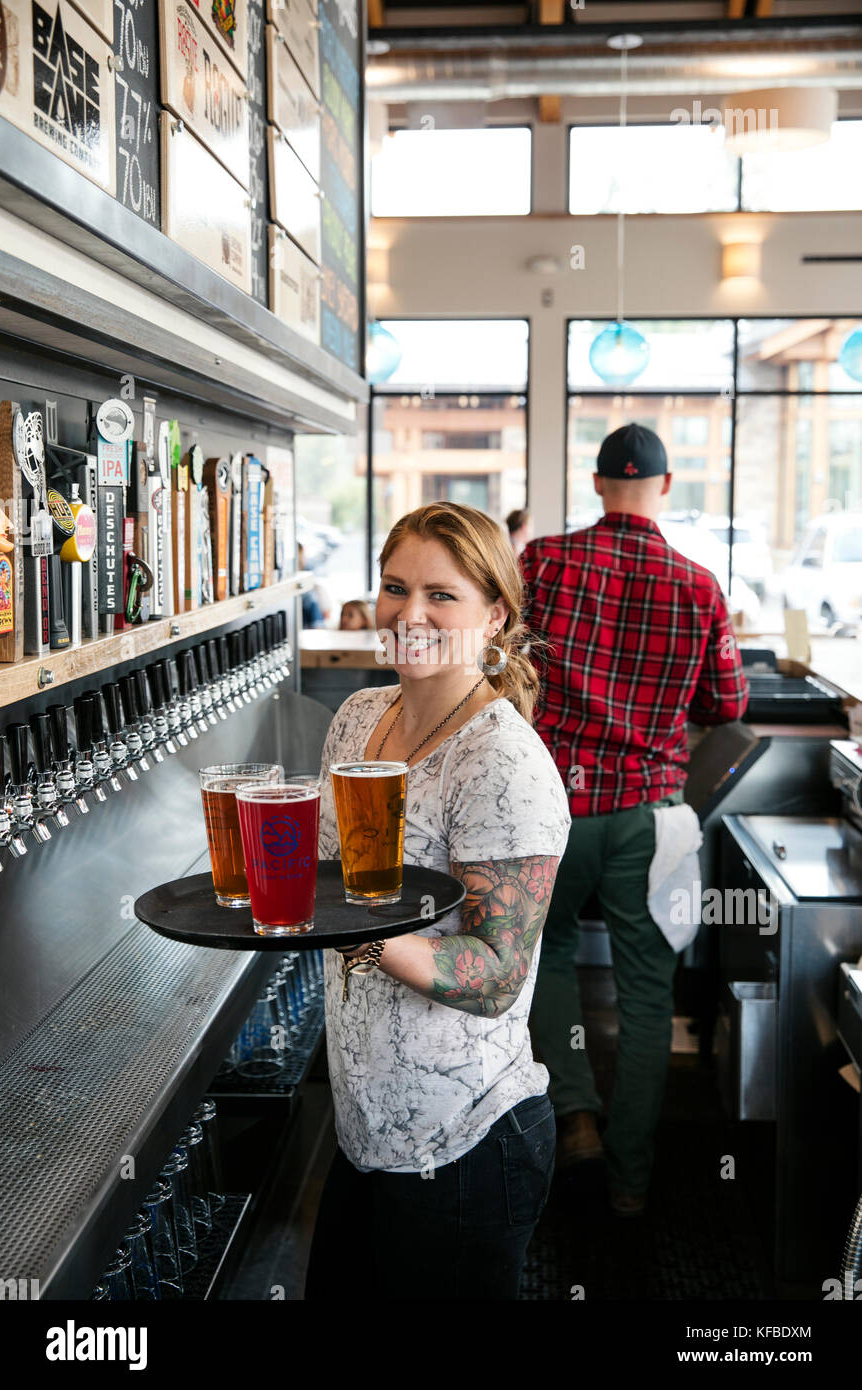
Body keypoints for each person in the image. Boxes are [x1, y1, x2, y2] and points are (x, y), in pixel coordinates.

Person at [305, 501, 571, 1300]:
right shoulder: (358, 717)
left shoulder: (500, 762)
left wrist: (351, 931)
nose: (408, 613)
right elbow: (330, 881)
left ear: (495, 615)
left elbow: (494, 975)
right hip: (364, 1128)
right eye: (394, 587)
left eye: (440, 594)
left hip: (465, 1140)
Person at [520, 423, 748, 1217]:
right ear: (666, 484)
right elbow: (727, 705)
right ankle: (631, 1183)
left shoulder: (543, 561)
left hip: (558, 807)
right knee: (647, 992)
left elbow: (505, 661)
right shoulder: (698, 583)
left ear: (595, 482)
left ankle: (574, 1116)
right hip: (651, 815)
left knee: (544, 954)